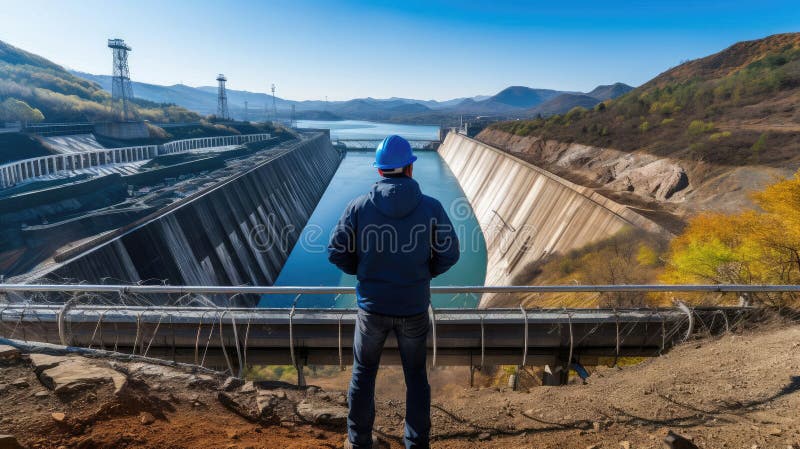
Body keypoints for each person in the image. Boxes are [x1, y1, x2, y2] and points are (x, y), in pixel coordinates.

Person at [328, 135, 460, 449]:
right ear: (410, 168)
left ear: (380, 171)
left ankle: (358, 442)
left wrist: (363, 270)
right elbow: (450, 254)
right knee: (416, 377)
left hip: (371, 309)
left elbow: (336, 251)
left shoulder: (358, 207)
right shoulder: (431, 207)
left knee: (363, 373)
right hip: (413, 308)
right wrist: (425, 273)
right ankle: (416, 444)